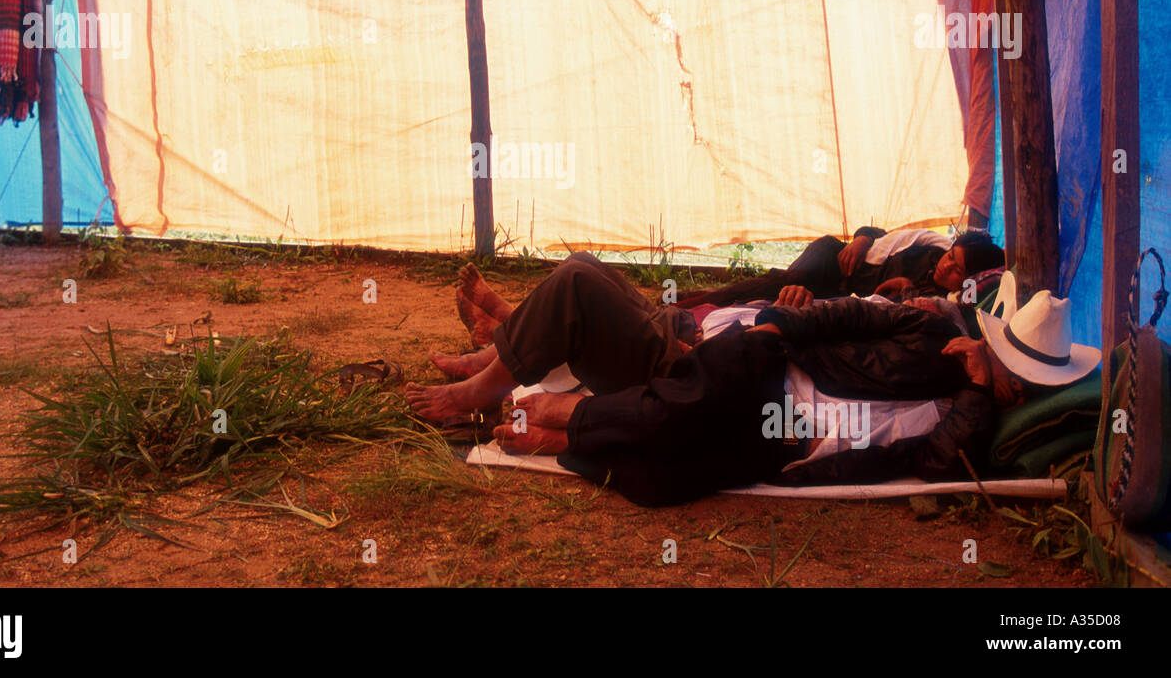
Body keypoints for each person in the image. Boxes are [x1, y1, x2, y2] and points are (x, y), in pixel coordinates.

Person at [409, 254, 1095, 506]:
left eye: (1023, 384)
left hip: (787, 439)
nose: (1017, 388)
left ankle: (564, 427)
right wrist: (770, 332)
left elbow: (935, 464)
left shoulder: (975, 413)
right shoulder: (930, 331)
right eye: (1017, 371)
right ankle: (549, 405)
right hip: (770, 367)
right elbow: (843, 313)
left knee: (665, 477)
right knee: (671, 396)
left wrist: (976, 391)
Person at [674, 227, 1005, 312]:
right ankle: (695, 299)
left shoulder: (943, 298)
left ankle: (705, 298)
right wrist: (861, 238)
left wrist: (904, 290)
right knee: (788, 281)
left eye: (955, 268)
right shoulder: (934, 246)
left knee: (782, 291)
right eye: (951, 257)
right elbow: (883, 235)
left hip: (842, 291)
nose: (946, 264)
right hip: (836, 257)